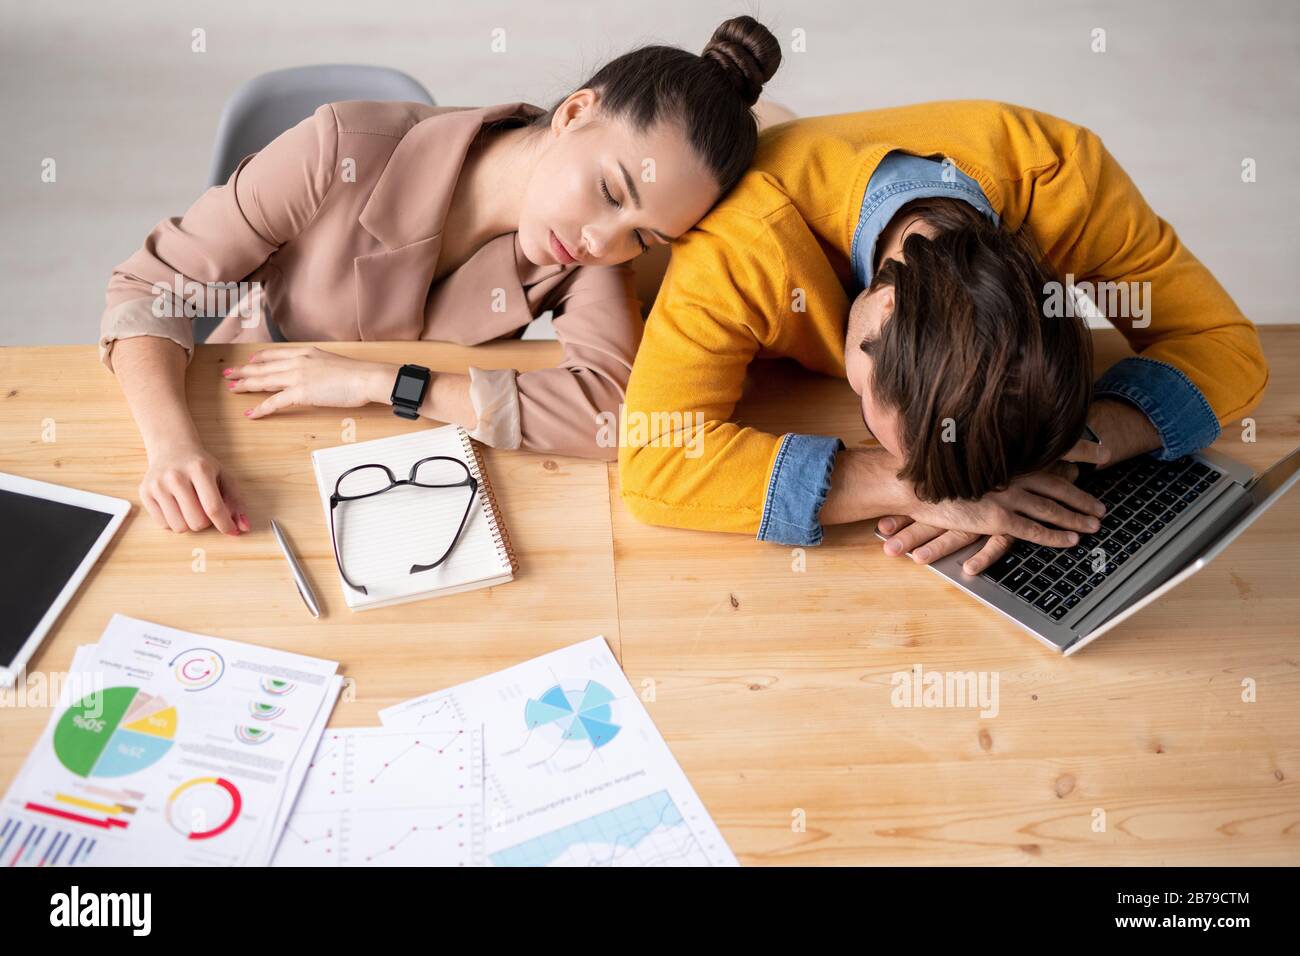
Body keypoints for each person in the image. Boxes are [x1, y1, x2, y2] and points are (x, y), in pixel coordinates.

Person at [99, 16, 782, 536]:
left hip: (415, 464)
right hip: (255, 410)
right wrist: (172, 446)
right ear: (576, 112)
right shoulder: (336, 148)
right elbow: (149, 289)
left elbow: (617, 411)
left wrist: (383, 383)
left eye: (644, 236)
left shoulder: (581, 252)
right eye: (609, 191)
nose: (602, 240)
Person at [618, 100, 1268, 575]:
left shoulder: (1069, 182)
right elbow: (654, 457)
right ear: (881, 310)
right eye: (894, 443)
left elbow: (1225, 345)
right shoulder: (741, 244)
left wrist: (1076, 443)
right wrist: (913, 485)